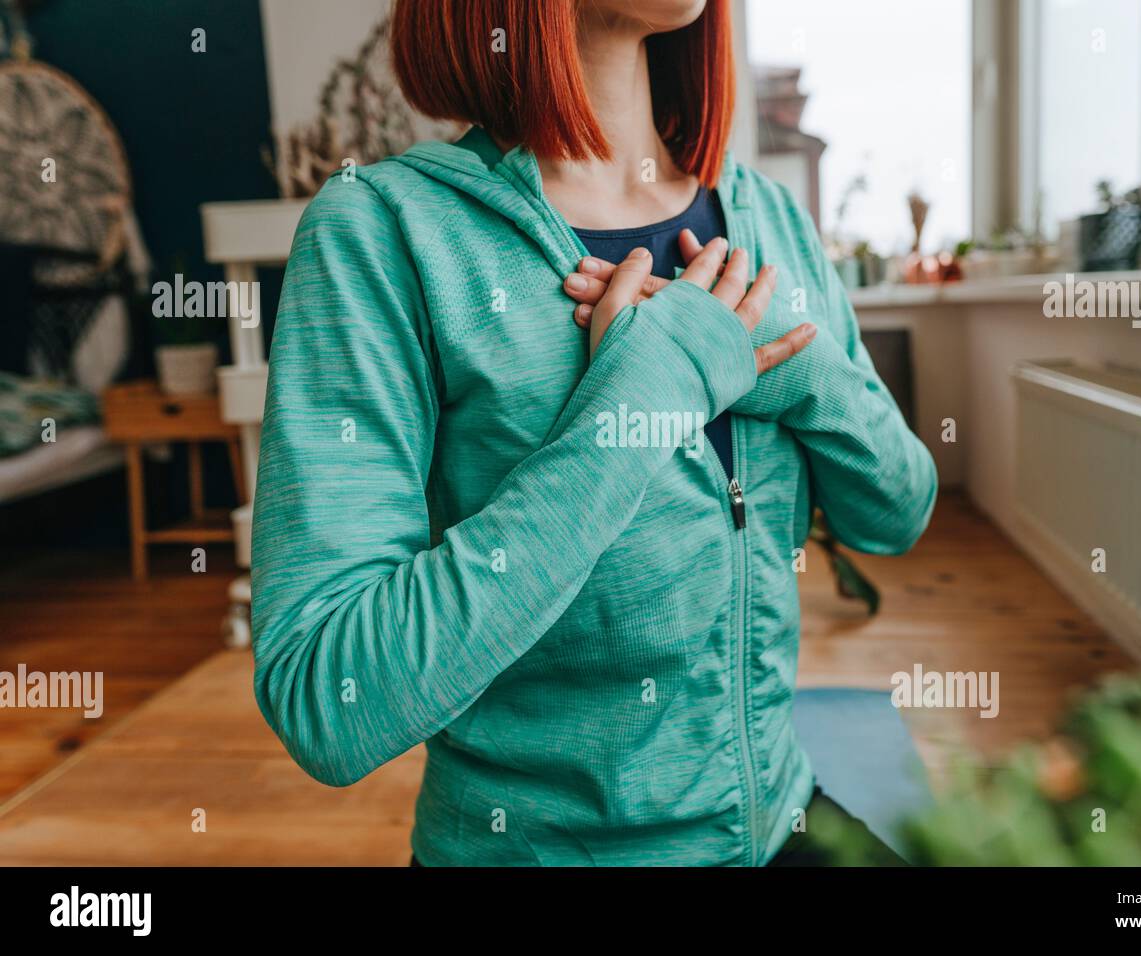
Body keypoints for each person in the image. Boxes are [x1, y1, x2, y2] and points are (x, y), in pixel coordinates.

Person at [251, 0, 937, 866]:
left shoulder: (767, 215)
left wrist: (801, 374)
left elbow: (897, 512)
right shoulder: (383, 232)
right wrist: (644, 401)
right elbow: (330, 701)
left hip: (776, 820)